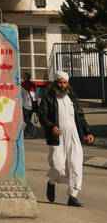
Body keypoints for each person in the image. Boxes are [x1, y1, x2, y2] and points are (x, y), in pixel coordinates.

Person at [37, 70, 95, 206]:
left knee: (75, 165)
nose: (62, 85)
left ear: (67, 84)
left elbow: (80, 116)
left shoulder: (73, 99)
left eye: (64, 83)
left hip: (75, 137)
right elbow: (42, 115)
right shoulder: (48, 99)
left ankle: (72, 196)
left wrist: (87, 132)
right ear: (55, 83)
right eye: (60, 82)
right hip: (57, 137)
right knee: (57, 166)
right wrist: (51, 126)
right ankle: (51, 182)